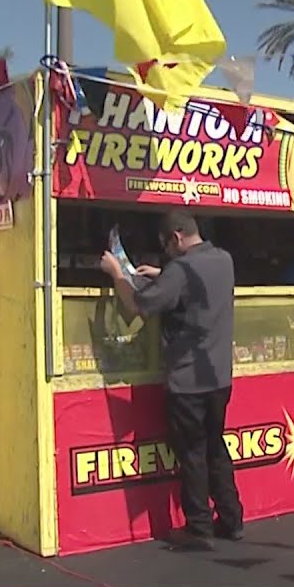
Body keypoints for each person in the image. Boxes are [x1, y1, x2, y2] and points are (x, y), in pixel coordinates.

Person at [99, 209, 243, 549]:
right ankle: (232, 519)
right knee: (215, 448)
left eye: (166, 247)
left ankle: (199, 528)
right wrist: (165, 274)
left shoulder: (179, 269)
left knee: (192, 453)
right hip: (220, 377)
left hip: (187, 381)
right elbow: (197, 284)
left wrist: (118, 273)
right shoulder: (223, 260)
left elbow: (136, 305)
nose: (166, 253)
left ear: (175, 238)